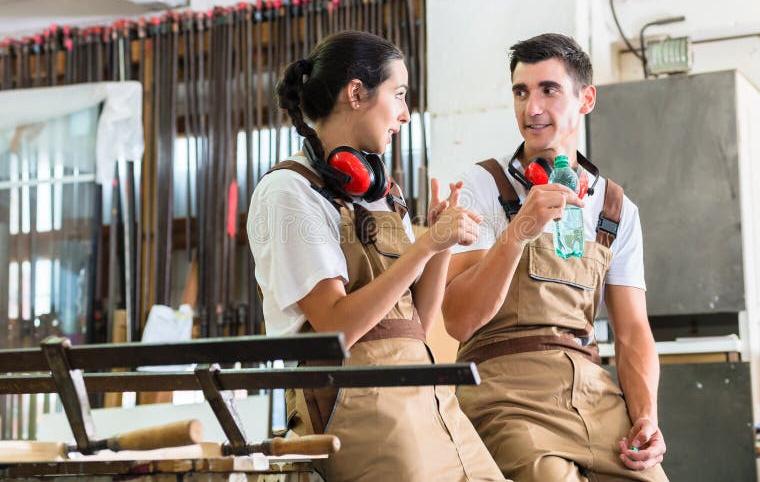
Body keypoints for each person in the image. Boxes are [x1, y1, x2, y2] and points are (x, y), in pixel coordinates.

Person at [246, 31, 506, 482]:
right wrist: (424, 245)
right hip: (358, 401)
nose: (405, 114)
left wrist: (440, 248)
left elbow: (417, 325)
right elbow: (335, 328)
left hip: (428, 395)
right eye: (398, 94)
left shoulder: (385, 193)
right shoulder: (288, 190)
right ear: (356, 93)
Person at [442, 33, 669, 481]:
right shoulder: (482, 187)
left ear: (586, 99)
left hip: (593, 394)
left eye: (549, 90)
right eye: (521, 92)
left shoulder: (615, 208)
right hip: (505, 396)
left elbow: (632, 332)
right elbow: (458, 321)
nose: (532, 109)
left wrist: (646, 415)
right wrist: (519, 231)